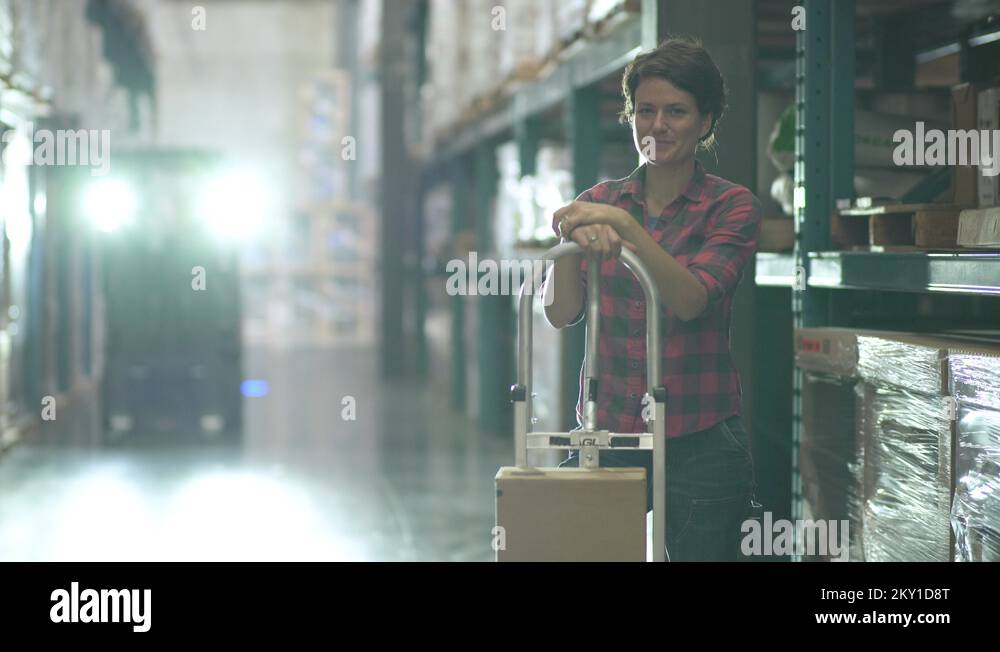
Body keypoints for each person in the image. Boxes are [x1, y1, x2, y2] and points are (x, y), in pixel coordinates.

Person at [542, 36, 762, 562]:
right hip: (607, 431)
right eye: (646, 110)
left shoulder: (732, 207)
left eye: (677, 111)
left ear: (706, 121)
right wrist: (568, 242)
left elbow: (691, 300)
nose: (658, 125)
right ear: (631, 116)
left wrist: (623, 227)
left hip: (701, 437)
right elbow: (560, 312)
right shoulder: (597, 201)